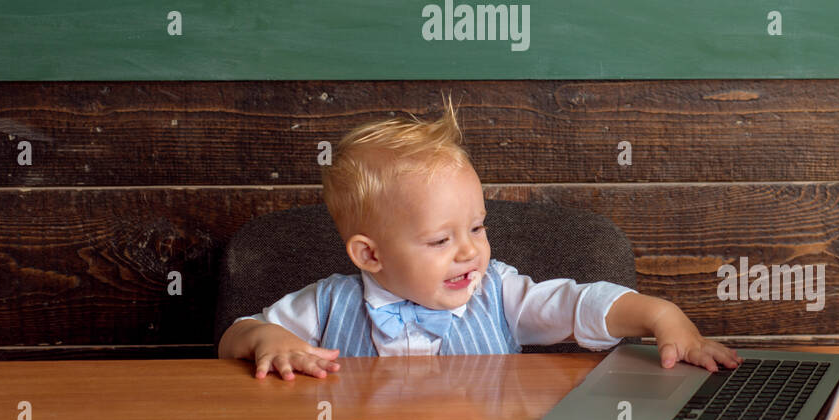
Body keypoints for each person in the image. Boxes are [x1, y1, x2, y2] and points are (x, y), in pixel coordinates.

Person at [218, 97, 741, 379]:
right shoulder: (328, 304)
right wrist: (267, 338)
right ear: (370, 254)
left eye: (476, 227)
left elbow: (579, 304)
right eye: (439, 240)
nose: (470, 251)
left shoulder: (498, 293)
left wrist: (659, 315)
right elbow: (233, 338)